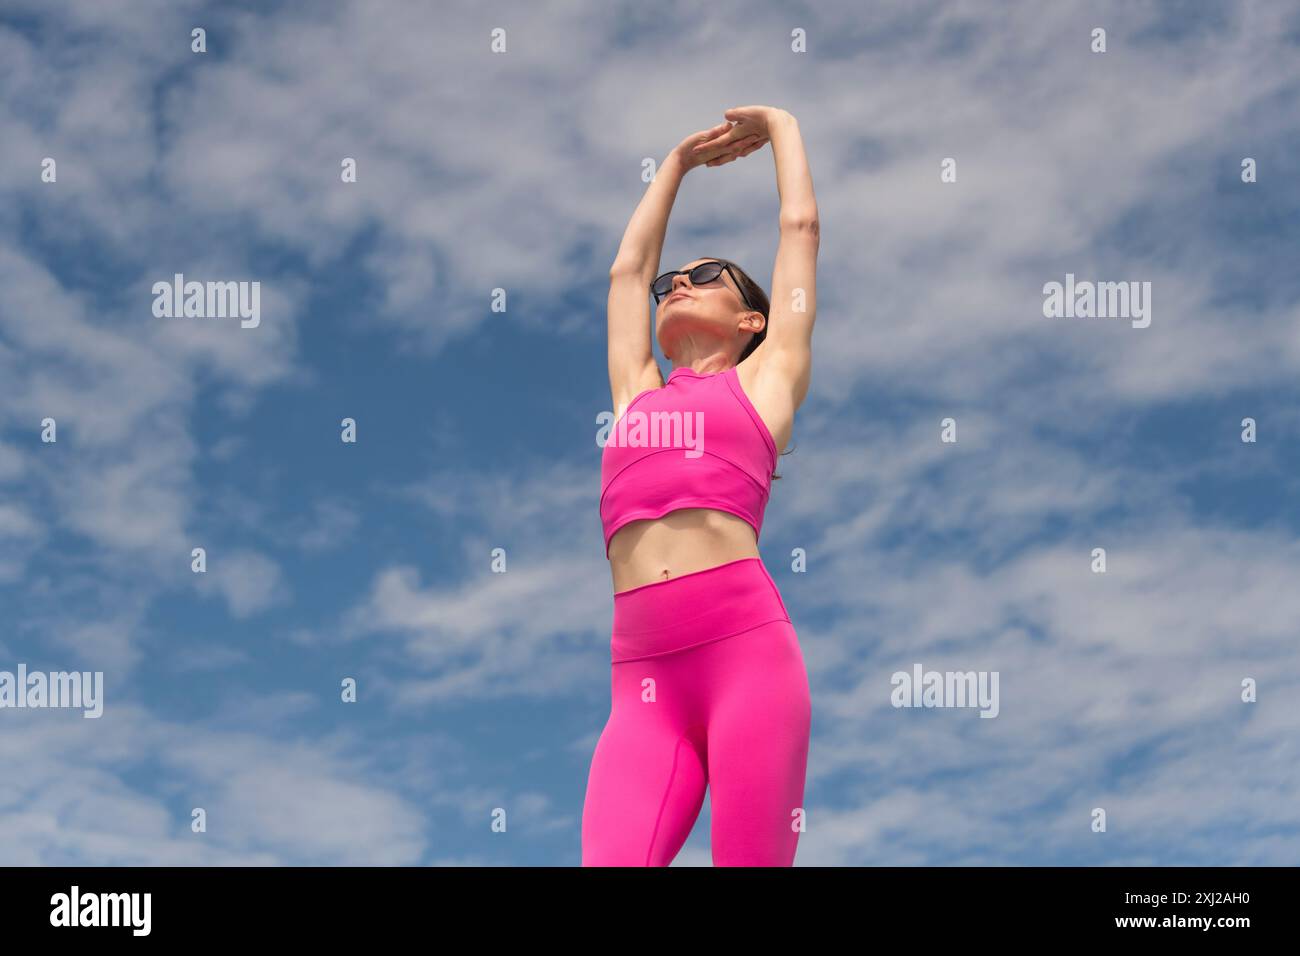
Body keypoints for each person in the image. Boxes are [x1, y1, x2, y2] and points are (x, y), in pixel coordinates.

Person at [582, 106, 820, 866]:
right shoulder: (635, 396)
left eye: (705, 275)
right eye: (672, 282)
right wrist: (676, 165)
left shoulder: (769, 380)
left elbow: (800, 231)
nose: (677, 283)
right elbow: (625, 272)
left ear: (752, 319)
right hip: (639, 679)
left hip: (747, 661)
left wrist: (782, 127)